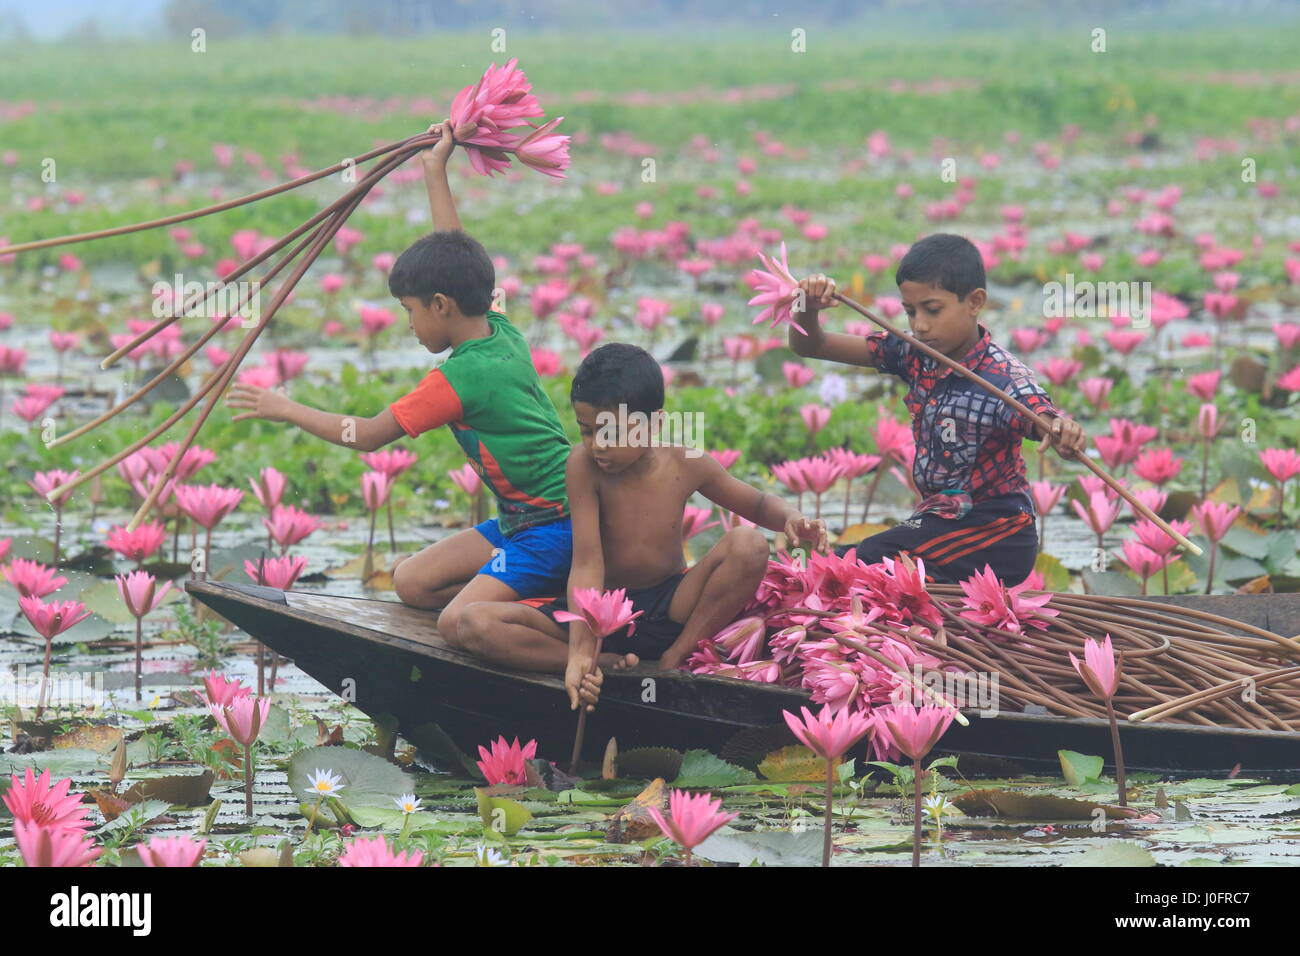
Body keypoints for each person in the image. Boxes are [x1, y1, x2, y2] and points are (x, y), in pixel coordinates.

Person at [226, 121, 573, 641]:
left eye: (410, 310)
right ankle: (537, 598)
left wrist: (286, 408)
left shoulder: (456, 380)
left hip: (554, 529)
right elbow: (456, 255)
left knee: (459, 624)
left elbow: (366, 436)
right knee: (413, 583)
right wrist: (436, 168)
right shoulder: (501, 328)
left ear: (440, 305)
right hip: (516, 523)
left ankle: (570, 639)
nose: (408, 323)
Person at [452, 343, 828, 710]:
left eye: (612, 434)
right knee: (475, 623)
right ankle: (600, 664)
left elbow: (757, 502)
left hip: (670, 606)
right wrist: (582, 651)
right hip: (601, 610)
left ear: (655, 423)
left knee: (748, 543)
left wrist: (791, 517)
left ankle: (679, 655)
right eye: (586, 430)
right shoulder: (582, 466)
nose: (597, 445)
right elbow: (587, 563)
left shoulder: (687, 461)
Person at [788, 232, 1087, 586]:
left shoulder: (1004, 379)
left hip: (995, 532)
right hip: (939, 521)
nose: (919, 325)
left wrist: (1063, 432)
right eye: (910, 311)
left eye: (932, 310)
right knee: (862, 559)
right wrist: (805, 306)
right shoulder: (915, 352)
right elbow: (813, 345)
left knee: (852, 565)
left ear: (975, 302)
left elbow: (1043, 419)